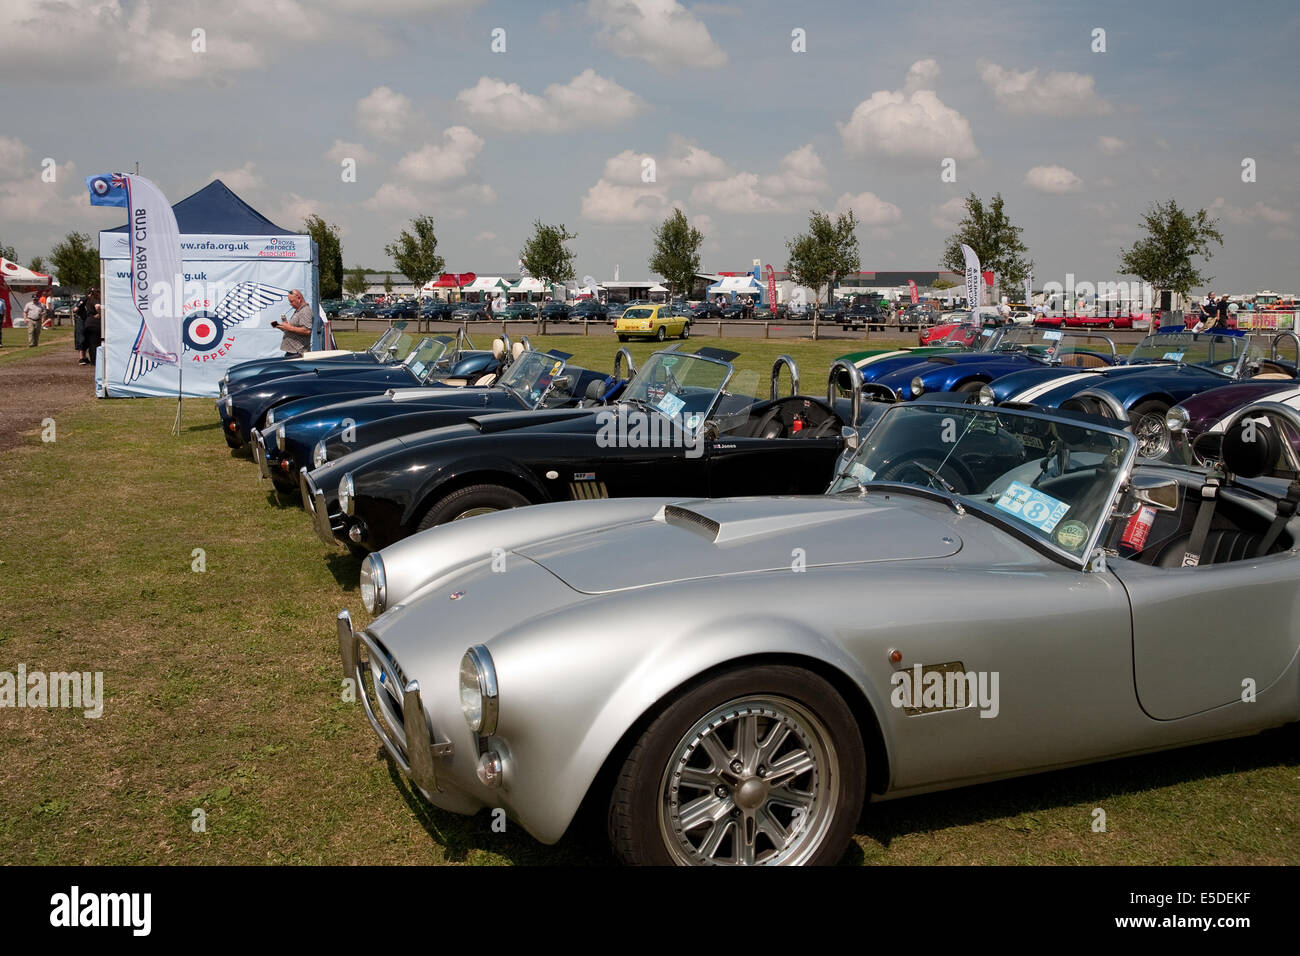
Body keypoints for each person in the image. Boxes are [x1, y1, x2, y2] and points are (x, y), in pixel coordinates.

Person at [271, 289, 312, 355]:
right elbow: (293, 328)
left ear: (299, 298)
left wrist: (289, 328)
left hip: (298, 353)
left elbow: (307, 331)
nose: (290, 304)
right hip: (292, 352)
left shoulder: (305, 311)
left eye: (292, 301)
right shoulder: (298, 311)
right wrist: (282, 327)